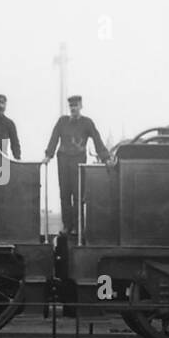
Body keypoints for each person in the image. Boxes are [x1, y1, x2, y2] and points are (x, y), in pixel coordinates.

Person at [44, 95, 109, 235]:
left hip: (78, 162)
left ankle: (78, 227)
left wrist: (106, 158)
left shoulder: (87, 123)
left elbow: (97, 140)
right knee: (64, 194)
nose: (73, 108)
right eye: (71, 106)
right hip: (63, 161)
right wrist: (48, 155)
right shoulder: (62, 122)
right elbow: (54, 138)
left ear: (81, 106)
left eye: (76, 106)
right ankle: (67, 226)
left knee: (78, 194)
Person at [0, 94, 21, 159]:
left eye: (2, 103)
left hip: (2, 161)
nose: (0, 106)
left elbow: (15, 144)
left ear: (5, 105)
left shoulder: (9, 124)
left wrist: (18, 159)